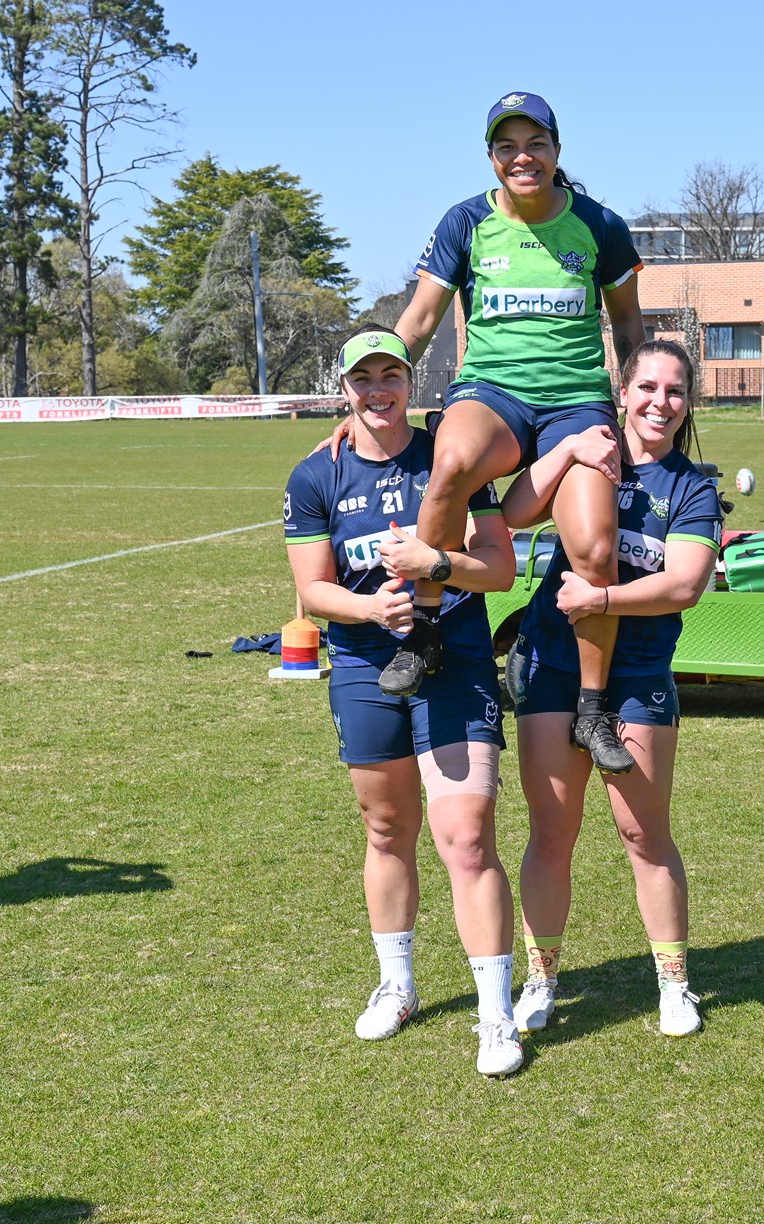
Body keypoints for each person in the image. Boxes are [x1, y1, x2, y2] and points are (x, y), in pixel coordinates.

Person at [283, 326, 523, 1077]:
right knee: (386, 829)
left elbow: (500, 569)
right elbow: (313, 589)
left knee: (467, 834)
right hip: (362, 664)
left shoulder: (450, 457)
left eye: (392, 374)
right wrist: (369, 614)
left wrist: (438, 565)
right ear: (344, 389)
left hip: (453, 660)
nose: (378, 389)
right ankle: (399, 986)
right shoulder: (314, 476)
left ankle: (495, 1017)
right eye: (364, 378)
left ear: (411, 383)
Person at [384, 90, 647, 775]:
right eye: (507, 147)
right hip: (493, 395)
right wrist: (365, 395)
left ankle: (592, 708)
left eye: (535, 144)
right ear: (492, 157)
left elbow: (628, 329)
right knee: (452, 462)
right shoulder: (466, 221)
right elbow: (417, 323)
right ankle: (428, 628)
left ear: (558, 152)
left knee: (593, 546)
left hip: (576, 404)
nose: (521, 157)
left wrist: (629, 412)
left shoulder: (599, 225)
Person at [501, 339, 722, 1038]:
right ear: (622, 392)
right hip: (552, 665)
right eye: (648, 387)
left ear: (688, 404)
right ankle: (540, 980)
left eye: (676, 391)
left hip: (637, 677)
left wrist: (601, 602)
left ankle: (674, 984)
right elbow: (511, 512)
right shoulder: (587, 452)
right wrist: (566, 453)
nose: (661, 401)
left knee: (643, 832)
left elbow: (685, 584)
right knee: (553, 831)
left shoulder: (692, 487)